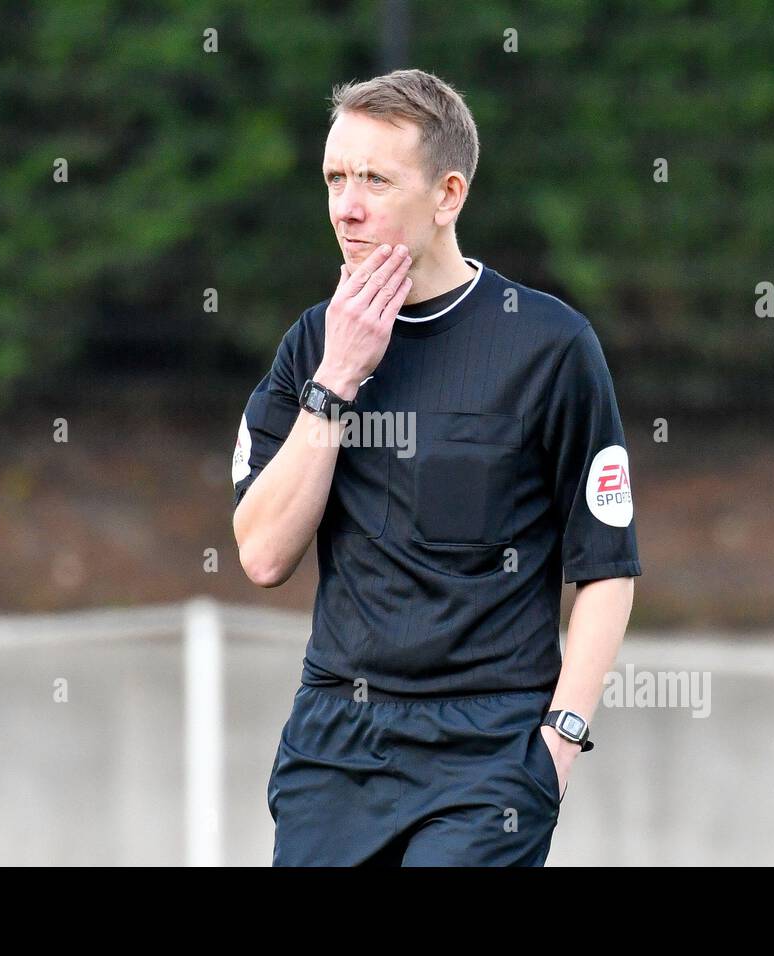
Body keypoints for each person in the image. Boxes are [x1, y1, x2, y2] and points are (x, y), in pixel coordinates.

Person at [231, 69, 641, 866]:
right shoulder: (311, 347)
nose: (346, 206)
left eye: (375, 180)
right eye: (335, 178)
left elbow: (607, 567)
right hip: (335, 746)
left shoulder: (549, 347)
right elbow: (263, 555)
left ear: (448, 195)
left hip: (489, 753)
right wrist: (336, 382)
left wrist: (558, 743)